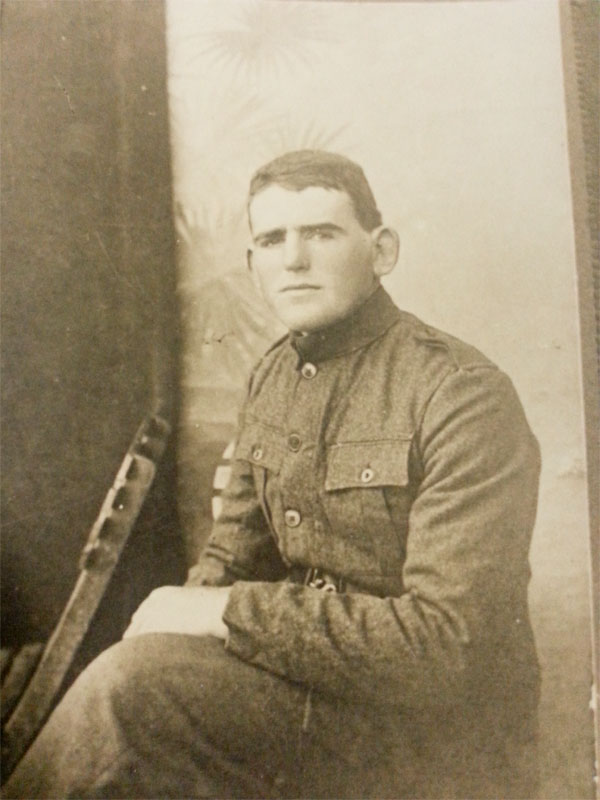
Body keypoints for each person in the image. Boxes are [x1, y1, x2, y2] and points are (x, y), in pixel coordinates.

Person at [3, 150, 541, 799]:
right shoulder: (271, 377)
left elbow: (445, 647)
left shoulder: (459, 393)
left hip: (434, 732)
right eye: (271, 239)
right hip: (314, 694)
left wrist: (224, 611)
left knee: (128, 696)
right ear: (253, 264)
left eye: (321, 233)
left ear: (382, 250)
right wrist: (185, 619)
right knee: (126, 675)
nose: (294, 260)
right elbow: (232, 557)